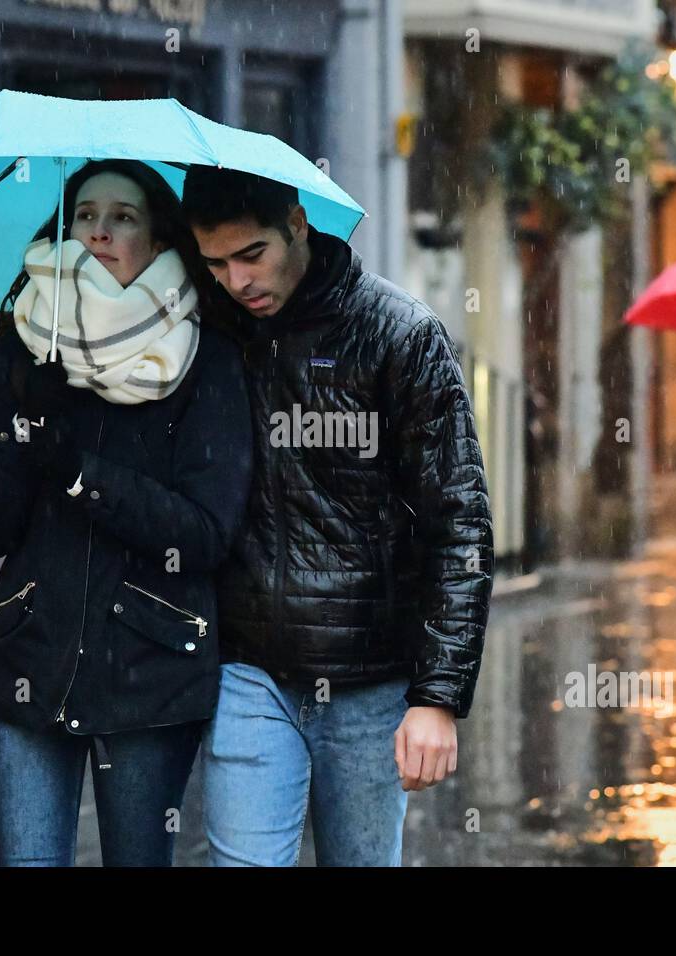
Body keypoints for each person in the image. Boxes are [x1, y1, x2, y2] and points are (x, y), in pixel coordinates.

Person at [179, 167, 493, 866]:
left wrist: (437, 696)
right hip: (247, 669)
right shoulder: (206, 332)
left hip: (370, 679)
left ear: (297, 223)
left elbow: (460, 521)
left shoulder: (398, 334)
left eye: (250, 255)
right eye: (215, 263)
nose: (235, 280)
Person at [0, 158, 252, 866]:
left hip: (150, 667)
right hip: (31, 654)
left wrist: (81, 474)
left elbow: (204, 533)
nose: (99, 232)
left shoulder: (206, 356)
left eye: (122, 217)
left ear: (158, 237)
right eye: (85, 215)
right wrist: (28, 437)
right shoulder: (24, 344)